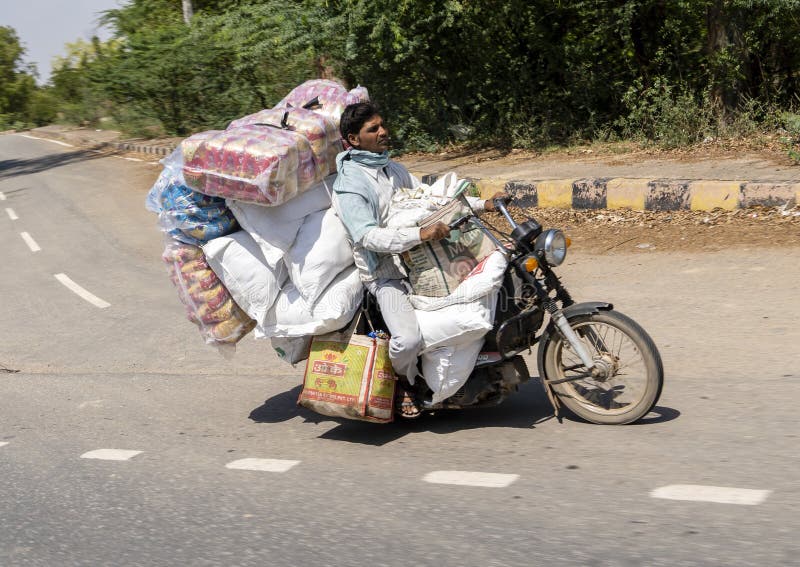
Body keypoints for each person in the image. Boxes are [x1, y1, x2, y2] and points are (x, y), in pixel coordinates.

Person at [332, 102, 505, 418]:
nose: (383, 132)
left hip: (423, 261)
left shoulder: (392, 168)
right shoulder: (349, 185)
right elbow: (366, 237)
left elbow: (432, 199)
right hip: (386, 273)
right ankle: (405, 383)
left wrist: (484, 204)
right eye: (373, 129)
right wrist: (419, 235)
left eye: (382, 125)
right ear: (354, 139)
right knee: (409, 340)